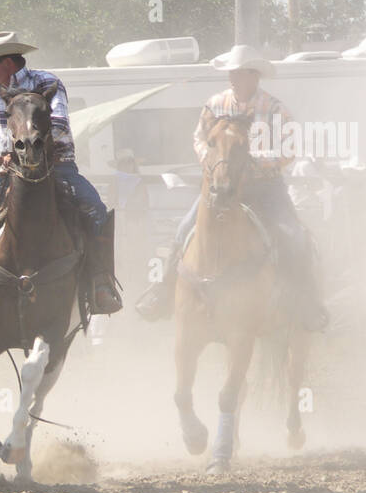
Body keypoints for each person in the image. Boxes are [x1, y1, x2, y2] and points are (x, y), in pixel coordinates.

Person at [134, 44, 328, 330]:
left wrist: (254, 163)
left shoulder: (275, 109)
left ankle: (306, 302)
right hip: (221, 186)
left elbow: (290, 150)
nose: (232, 79)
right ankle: (163, 293)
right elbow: (199, 138)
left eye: (238, 73)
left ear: (254, 76)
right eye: (231, 74)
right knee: (184, 229)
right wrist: (213, 161)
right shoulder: (215, 105)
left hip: (265, 188)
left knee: (294, 234)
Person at [0, 31, 121, 317]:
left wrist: (20, 149)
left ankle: (101, 283)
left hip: (57, 168)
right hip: (12, 176)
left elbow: (57, 125)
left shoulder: (47, 84)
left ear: (7, 63)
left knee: (95, 208)